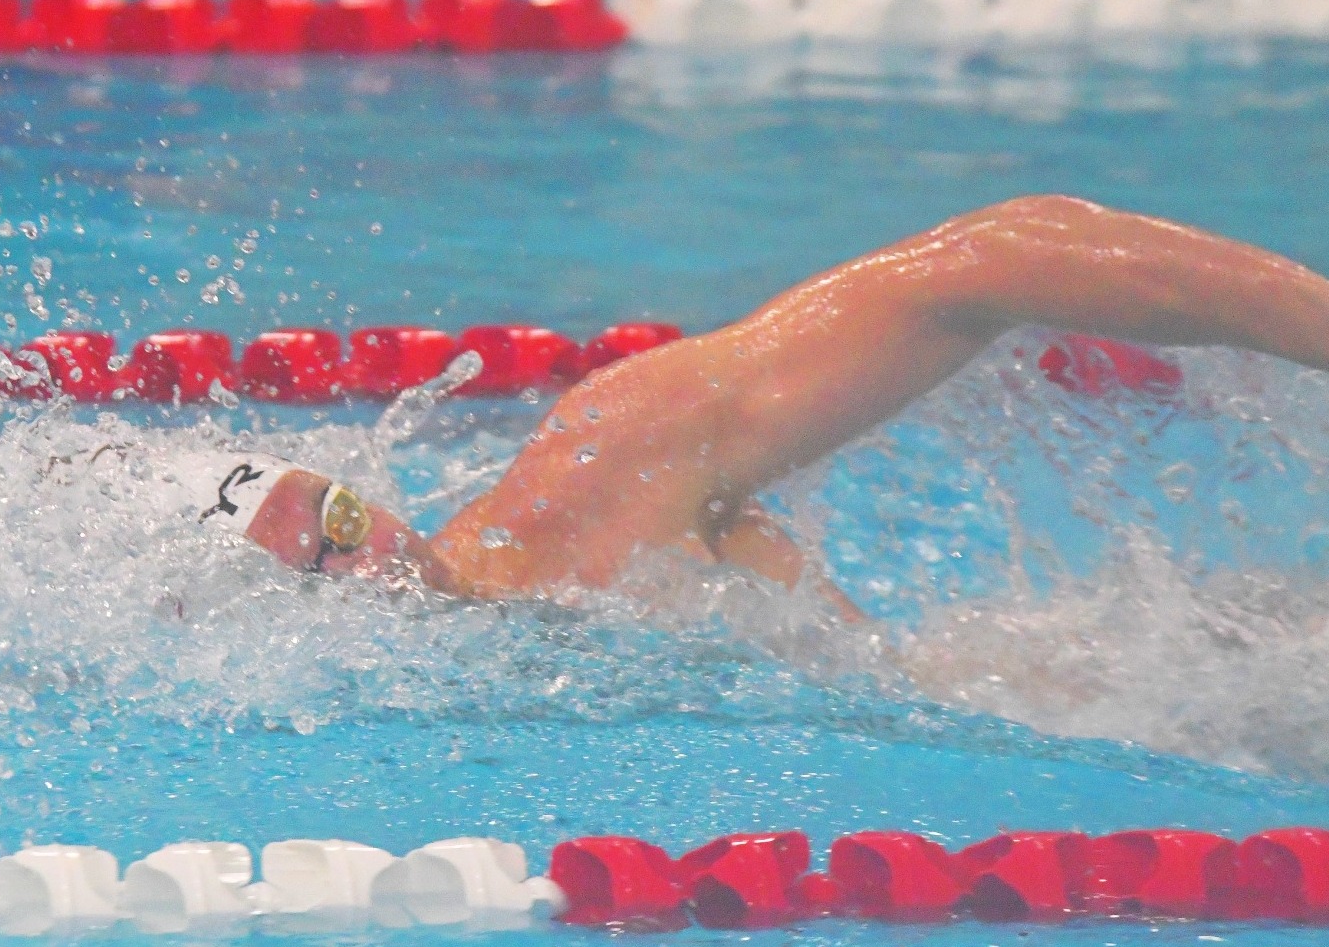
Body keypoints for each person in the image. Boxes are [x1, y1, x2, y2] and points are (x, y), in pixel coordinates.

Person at [191, 195, 1329, 618]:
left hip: (1155, 695)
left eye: (338, 512)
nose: (367, 556)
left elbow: (985, 259)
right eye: (310, 561)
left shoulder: (595, 484)